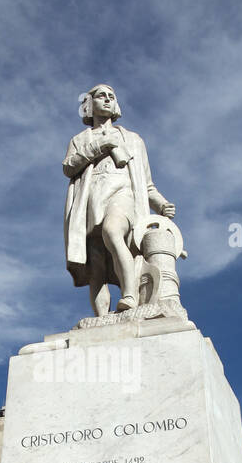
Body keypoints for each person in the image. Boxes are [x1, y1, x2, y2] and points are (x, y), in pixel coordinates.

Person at [63, 84, 176, 316]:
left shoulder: (133, 140)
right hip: (89, 200)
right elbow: (68, 167)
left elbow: (147, 184)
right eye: (101, 96)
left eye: (111, 97)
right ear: (89, 104)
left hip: (122, 194)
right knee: (95, 264)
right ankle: (101, 319)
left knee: (112, 231)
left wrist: (162, 204)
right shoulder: (79, 139)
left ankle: (130, 294)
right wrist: (101, 145)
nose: (106, 100)